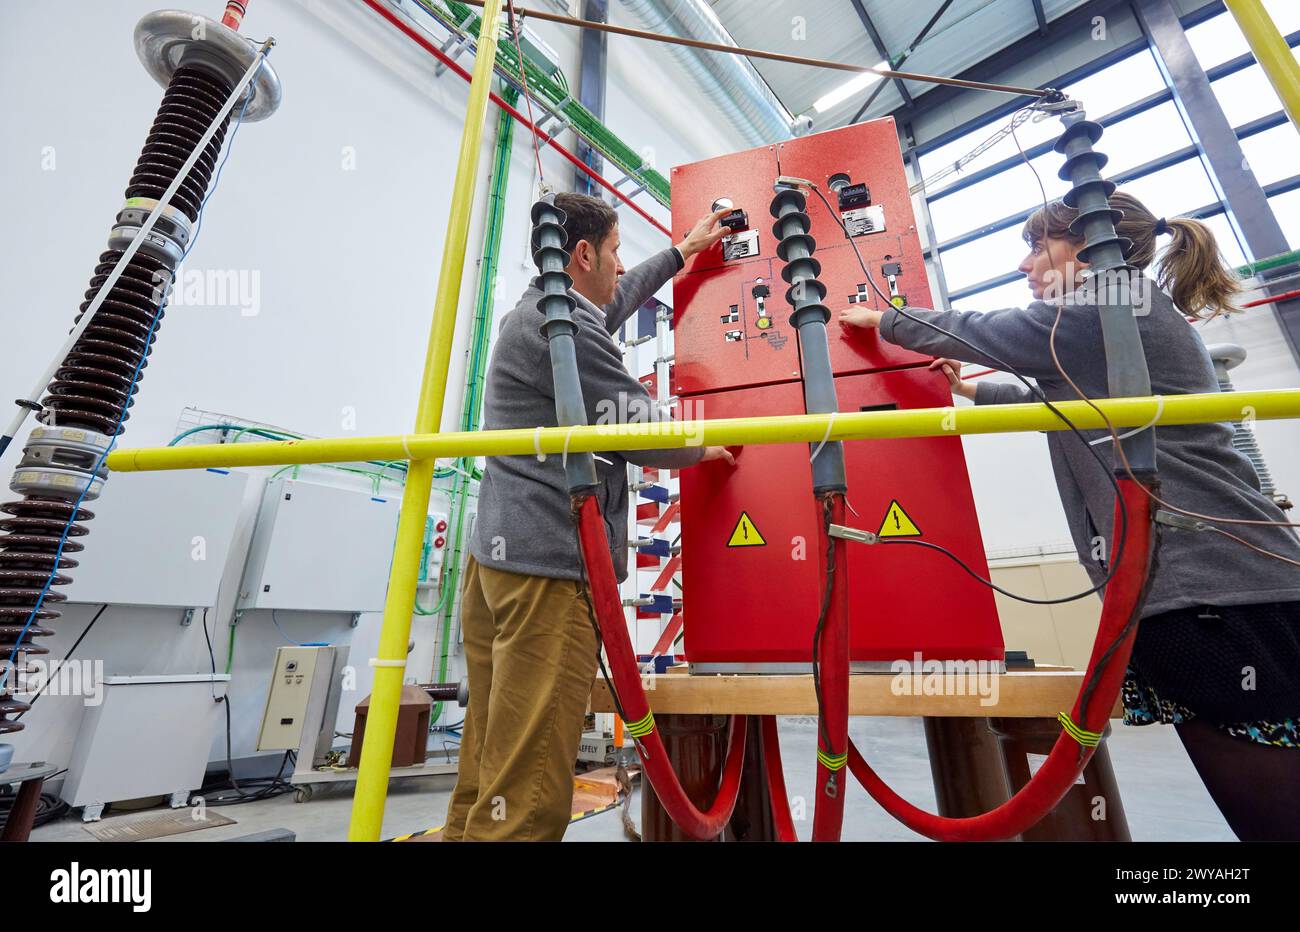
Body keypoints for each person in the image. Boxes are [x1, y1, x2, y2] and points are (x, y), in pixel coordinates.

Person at [840, 190, 1300, 840]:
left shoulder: (1106, 308)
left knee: (1272, 812)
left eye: (1037, 246)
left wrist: (881, 319)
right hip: (1221, 584)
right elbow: (1059, 400)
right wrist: (967, 389)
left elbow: (986, 331)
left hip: (1214, 591)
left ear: (1086, 245)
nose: (1027, 266)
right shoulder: (1115, 324)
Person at [442, 193, 735, 841]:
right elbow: (637, 426)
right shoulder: (561, 328)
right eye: (612, 250)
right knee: (534, 772)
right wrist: (706, 443)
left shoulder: (544, 313)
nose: (618, 263)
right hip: (548, 568)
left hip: (498, 559)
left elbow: (616, 297)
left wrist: (683, 252)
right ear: (581, 255)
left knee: (494, 746)